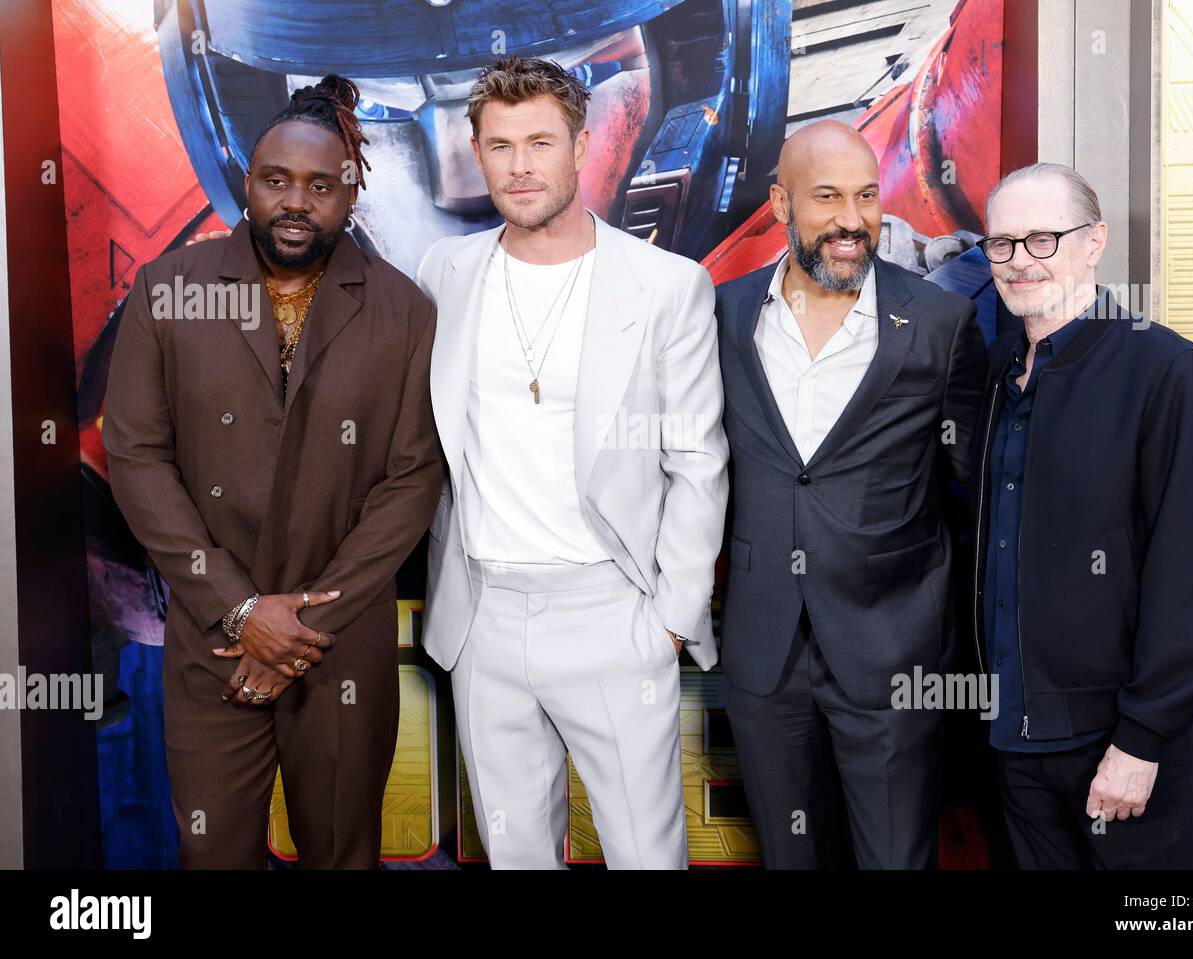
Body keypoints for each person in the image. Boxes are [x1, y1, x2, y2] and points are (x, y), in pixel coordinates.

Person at [102, 75, 443, 868]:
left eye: (321, 186)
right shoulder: (167, 291)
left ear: (350, 192)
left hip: (341, 648)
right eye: (277, 181)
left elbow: (412, 478)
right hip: (212, 645)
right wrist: (240, 609)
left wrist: (301, 624)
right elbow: (137, 458)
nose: (297, 201)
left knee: (341, 854)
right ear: (248, 183)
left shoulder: (404, 309)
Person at [417, 56, 728, 869]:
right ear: (476, 151)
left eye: (541, 142)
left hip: (612, 613)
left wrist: (668, 619)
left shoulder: (666, 286)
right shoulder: (443, 274)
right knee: (516, 855)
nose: (520, 166)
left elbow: (697, 458)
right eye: (500, 145)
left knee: (645, 856)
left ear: (582, 144)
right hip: (482, 614)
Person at [713, 119, 987, 868]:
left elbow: (970, 489)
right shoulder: (724, 315)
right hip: (765, 648)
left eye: (867, 196)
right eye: (827, 196)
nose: (851, 219)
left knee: (897, 858)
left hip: (894, 649)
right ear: (779, 203)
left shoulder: (940, 322)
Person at [972, 162, 1193, 868]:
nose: (1020, 260)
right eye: (1002, 243)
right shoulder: (997, 373)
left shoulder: (1165, 369)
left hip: (1122, 754)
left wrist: (1143, 739)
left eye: (1042, 239)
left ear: (1094, 242)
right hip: (1013, 748)